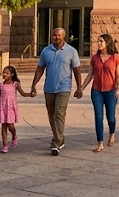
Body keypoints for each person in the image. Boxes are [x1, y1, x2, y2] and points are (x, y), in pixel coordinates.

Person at [30, 27, 83, 155]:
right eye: (54, 35)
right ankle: (60, 137)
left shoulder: (71, 51)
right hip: (49, 88)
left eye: (59, 35)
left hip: (64, 88)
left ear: (63, 36)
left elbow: (77, 71)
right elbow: (40, 69)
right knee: (51, 115)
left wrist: (79, 87)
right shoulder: (46, 51)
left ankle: (56, 143)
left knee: (59, 113)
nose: (56, 37)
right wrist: (33, 85)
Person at [81, 33, 119, 151]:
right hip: (97, 91)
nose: (98, 43)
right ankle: (100, 143)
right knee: (98, 117)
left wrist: (118, 88)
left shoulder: (115, 57)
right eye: (98, 41)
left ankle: (112, 133)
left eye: (101, 41)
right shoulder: (94, 58)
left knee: (111, 118)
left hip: (111, 91)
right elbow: (90, 75)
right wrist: (82, 87)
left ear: (107, 43)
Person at [0, 65, 35, 153]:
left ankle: (14, 135)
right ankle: (5, 145)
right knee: (4, 126)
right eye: (3, 73)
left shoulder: (15, 84)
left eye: (7, 73)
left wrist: (30, 94)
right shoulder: (1, 85)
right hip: (3, 107)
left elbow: (22, 93)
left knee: (10, 125)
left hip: (11, 107)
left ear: (12, 74)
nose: (4, 74)